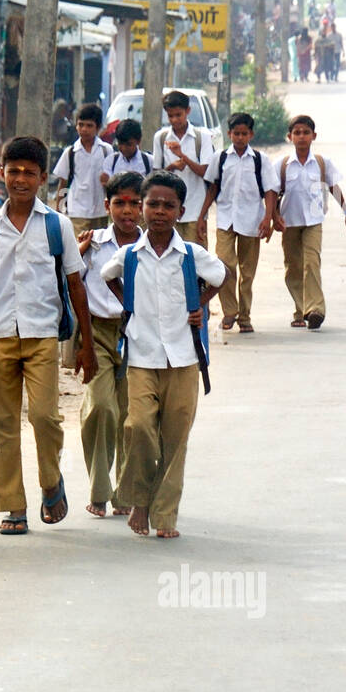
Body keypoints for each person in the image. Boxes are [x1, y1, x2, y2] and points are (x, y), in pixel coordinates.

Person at [0, 135, 97, 535]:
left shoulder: (58, 226)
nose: (20, 179)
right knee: (2, 425)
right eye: (13, 171)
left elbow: (75, 287)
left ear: (40, 179)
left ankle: (51, 482)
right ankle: (13, 507)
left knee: (44, 417)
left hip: (42, 337)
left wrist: (86, 345)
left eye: (29, 173)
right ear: (1, 173)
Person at [100, 170, 225, 539]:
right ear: (141, 208)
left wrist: (199, 304)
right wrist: (129, 304)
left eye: (167, 206)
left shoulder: (191, 254)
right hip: (141, 355)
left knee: (175, 437)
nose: (159, 211)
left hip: (184, 357)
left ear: (180, 211)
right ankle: (139, 499)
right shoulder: (129, 256)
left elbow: (221, 276)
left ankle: (165, 514)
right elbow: (108, 275)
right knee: (138, 428)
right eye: (152, 204)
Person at [77, 172, 144, 519]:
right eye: (120, 203)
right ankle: (98, 489)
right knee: (102, 407)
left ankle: (124, 491)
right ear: (107, 206)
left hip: (138, 335)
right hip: (97, 333)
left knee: (130, 417)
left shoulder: (152, 245)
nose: (127, 211)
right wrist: (76, 254)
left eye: (135, 203)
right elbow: (70, 286)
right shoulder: (93, 244)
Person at [196, 112, 280, 334]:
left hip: (252, 220)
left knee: (248, 271)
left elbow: (270, 191)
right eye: (236, 133)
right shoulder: (221, 158)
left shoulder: (260, 160)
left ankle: (245, 316)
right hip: (225, 219)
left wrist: (268, 217)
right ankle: (229, 311)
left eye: (244, 134)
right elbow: (213, 188)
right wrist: (202, 216)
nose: (240, 138)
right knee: (224, 265)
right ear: (229, 134)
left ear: (251, 134)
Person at [276, 115, 346, 332]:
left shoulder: (322, 163)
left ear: (314, 136)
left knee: (312, 263)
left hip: (313, 222)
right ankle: (300, 310)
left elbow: (334, 188)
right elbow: (272, 193)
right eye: (297, 132)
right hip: (289, 223)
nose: (301, 137)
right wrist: (273, 217)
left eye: (306, 132)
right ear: (290, 137)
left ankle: (316, 310)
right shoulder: (282, 165)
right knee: (293, 268)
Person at [151, 90, 215, 247]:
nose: (174, 120)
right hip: (168, 210)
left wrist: (183, 157)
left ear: (188, 111)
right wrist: (172, 166)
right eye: (170, 116)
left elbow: (206, 172)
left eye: (178, 115)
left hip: (195, 209)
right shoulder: (161, 137)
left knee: (196, 258)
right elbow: (156, 176)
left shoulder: (202, 137)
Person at [52, 102, 114, 233]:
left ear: (98, 128)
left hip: (100, 211)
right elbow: (63, 183)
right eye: (81, 125)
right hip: (77, 211)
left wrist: (108, 181)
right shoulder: (70, 152)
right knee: (78, 249)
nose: (84, 129)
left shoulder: (106, 151)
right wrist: (59, 209)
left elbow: (114, 180)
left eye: (89, 126)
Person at [100, 119, 151, 185]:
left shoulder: (148, 161)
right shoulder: (111, 161)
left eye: (128, 144)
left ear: (138, 141)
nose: (124, 148)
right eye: (120, 144)